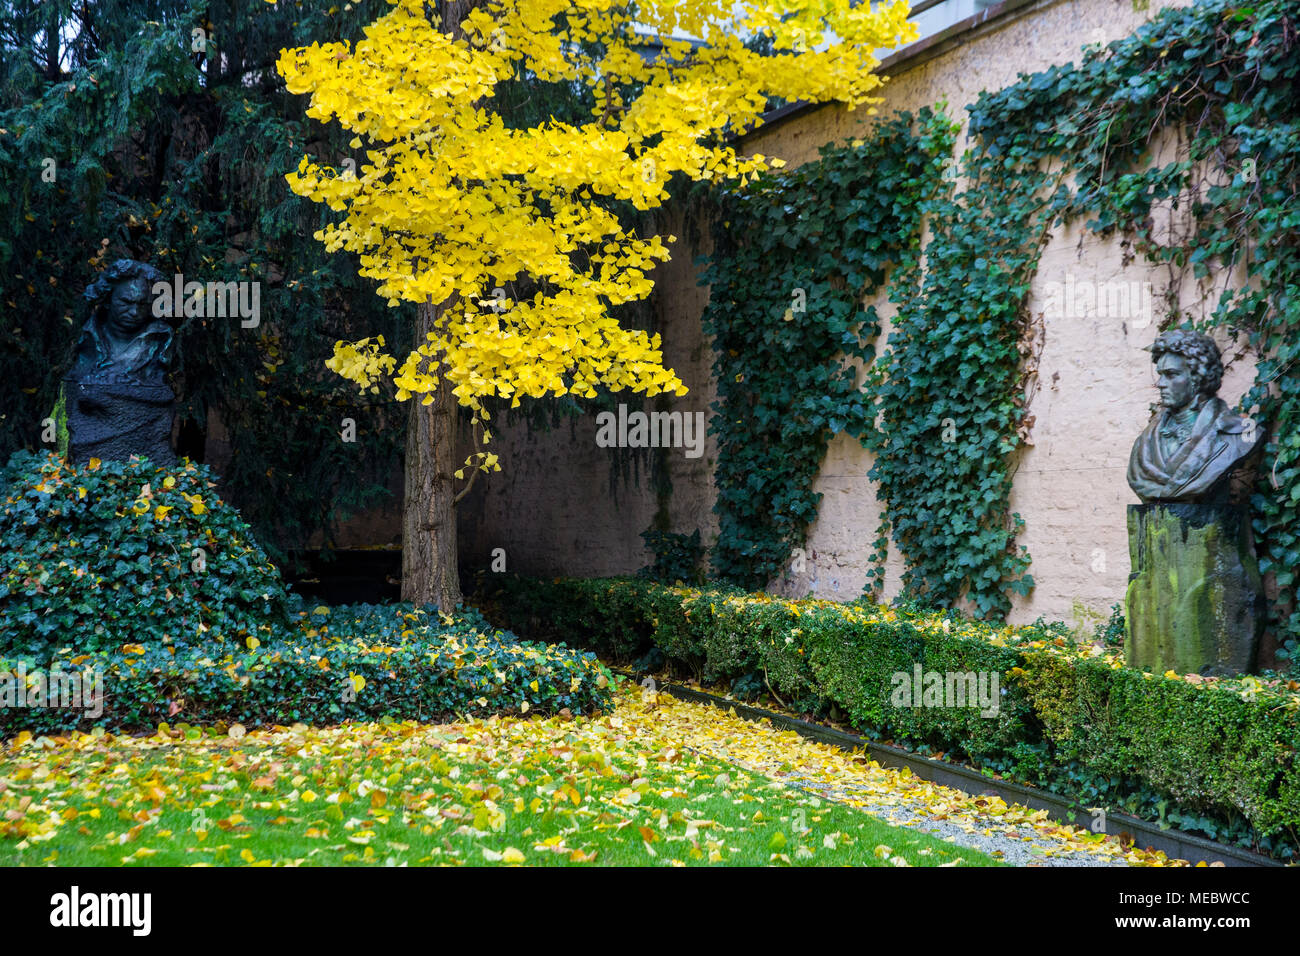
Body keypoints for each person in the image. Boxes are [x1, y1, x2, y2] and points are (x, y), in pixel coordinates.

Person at [1127, 327, 1260, 504]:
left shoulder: (1242, 433)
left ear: (1198, 377)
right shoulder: (1144, 443)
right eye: (1160, 375)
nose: (1160, 384)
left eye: (1171, 375)